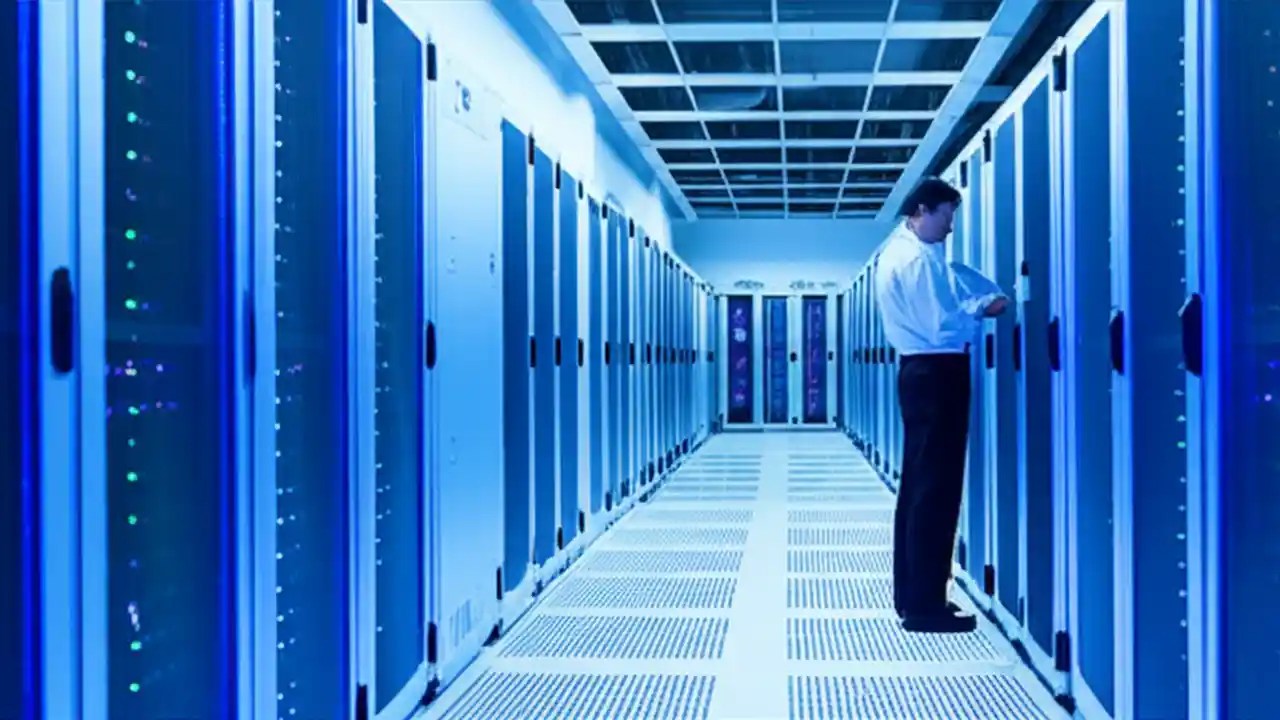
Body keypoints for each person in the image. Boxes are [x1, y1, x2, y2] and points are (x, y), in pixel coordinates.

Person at [873, 177, 1008, 634]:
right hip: (937, 372)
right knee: (936, 489)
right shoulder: (915, 261)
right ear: (921, 211)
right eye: (946, 215)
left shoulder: (907, 253)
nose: (950, 226)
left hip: (920, 372)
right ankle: (925, 606)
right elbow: (943, 320)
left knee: (920, 486)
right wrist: (982, 308)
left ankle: (916, 595)